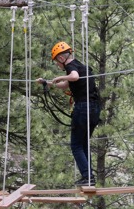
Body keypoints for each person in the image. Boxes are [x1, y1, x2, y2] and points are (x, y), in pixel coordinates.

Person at [37, 41, 101, 187]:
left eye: (56, 62)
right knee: (83, 144)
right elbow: (66, 85)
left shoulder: (71, 67)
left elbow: (74, 77)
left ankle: (87, 177)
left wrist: (61, 77)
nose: (58, 65)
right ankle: (89, 177)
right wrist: (48, 82)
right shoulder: (80, 65)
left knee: (76, 145)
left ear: (61, 58)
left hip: (83, 108)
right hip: (94, 109)